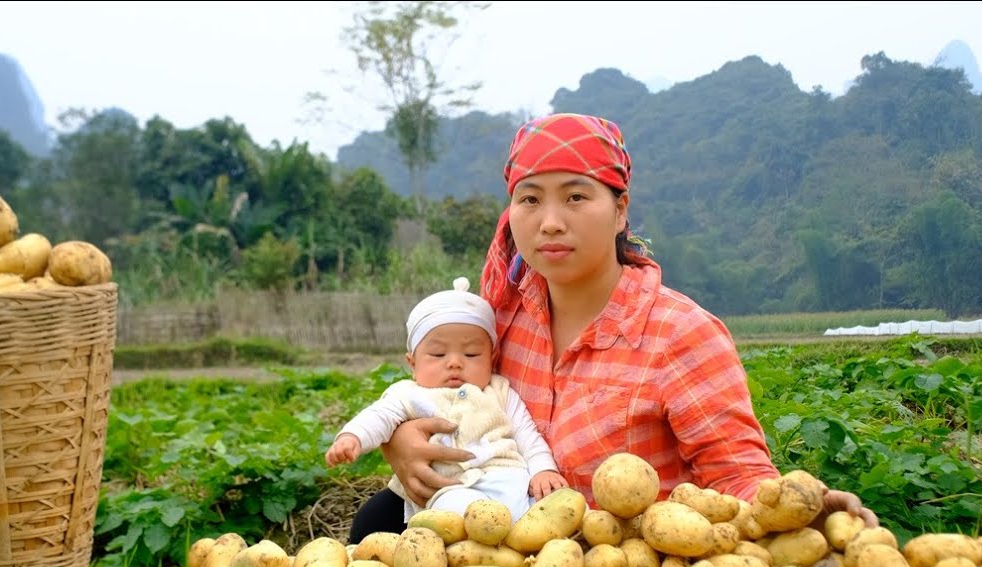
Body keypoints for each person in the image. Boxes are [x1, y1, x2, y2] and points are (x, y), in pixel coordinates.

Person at [348, 112, 877, 544]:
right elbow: (437, 389)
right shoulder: (499, 320)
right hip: (504, 540)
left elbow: (735, 473)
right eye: (529, 199)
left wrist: (798, 507)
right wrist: (398, 439)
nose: (550, 221)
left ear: (621, 209)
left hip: (625, 560)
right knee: (374, 521)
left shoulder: (680, 333)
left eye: (576, 197)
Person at [327, 276, 568, 527]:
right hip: (452, 488)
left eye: (472, 354)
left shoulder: (500, 391)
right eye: (438, 354)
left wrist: (543, 470)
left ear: (492, 357)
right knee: (452, 514)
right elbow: (379, 417)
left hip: (509, 482)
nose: (454, 362)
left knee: (540, 517)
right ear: (412, 363)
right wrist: (352, 437)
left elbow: (528, 437)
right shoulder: (408, 394)